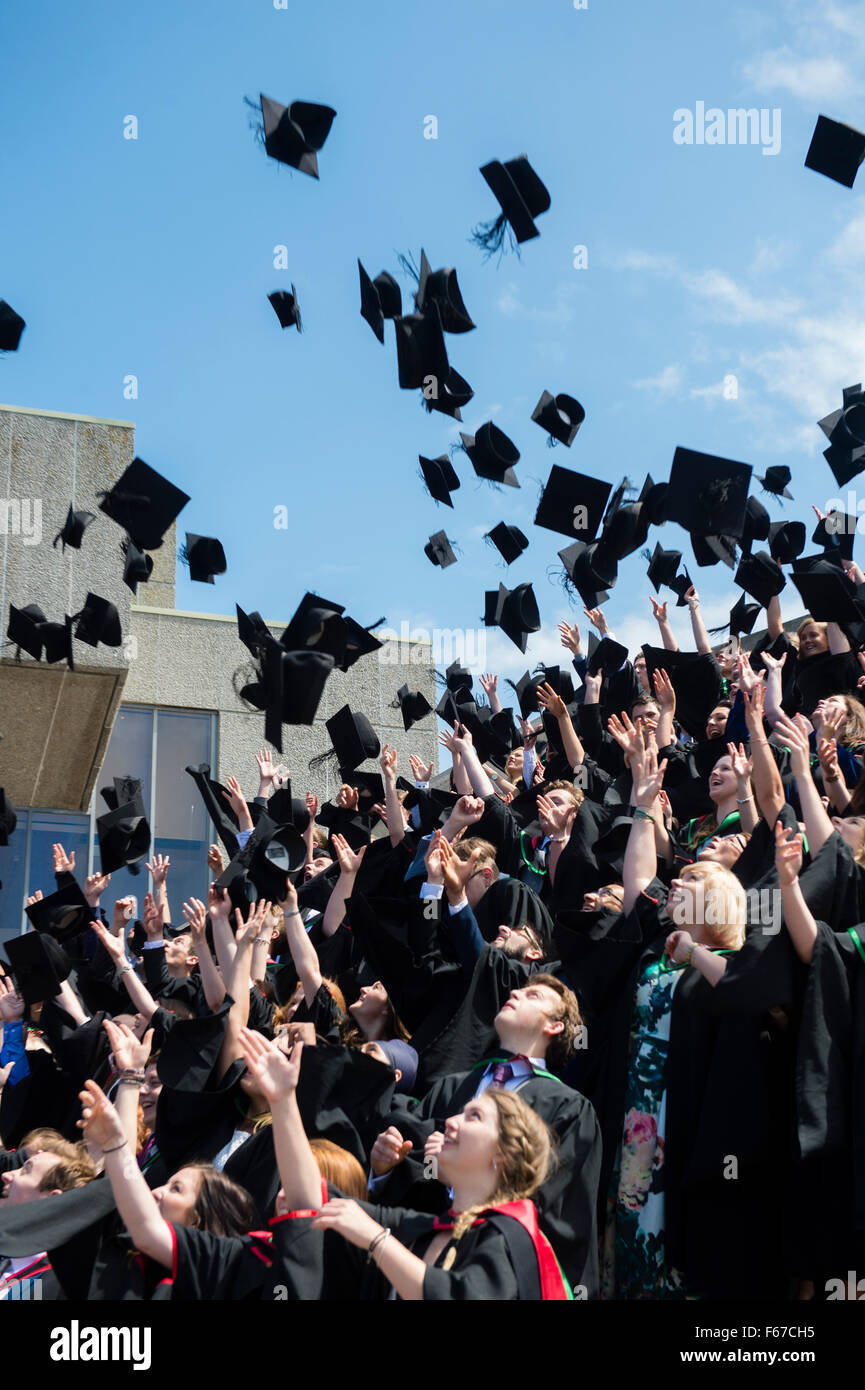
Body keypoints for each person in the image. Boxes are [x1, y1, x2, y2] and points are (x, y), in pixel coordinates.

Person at [240, 1028, 571, 1300]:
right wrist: (283, 1101)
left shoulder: (511, 1242)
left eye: (474, 1116)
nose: (451, 1122)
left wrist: (377, 1241)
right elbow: (311, 1199)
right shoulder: (428, 1228)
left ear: (503, 1153)